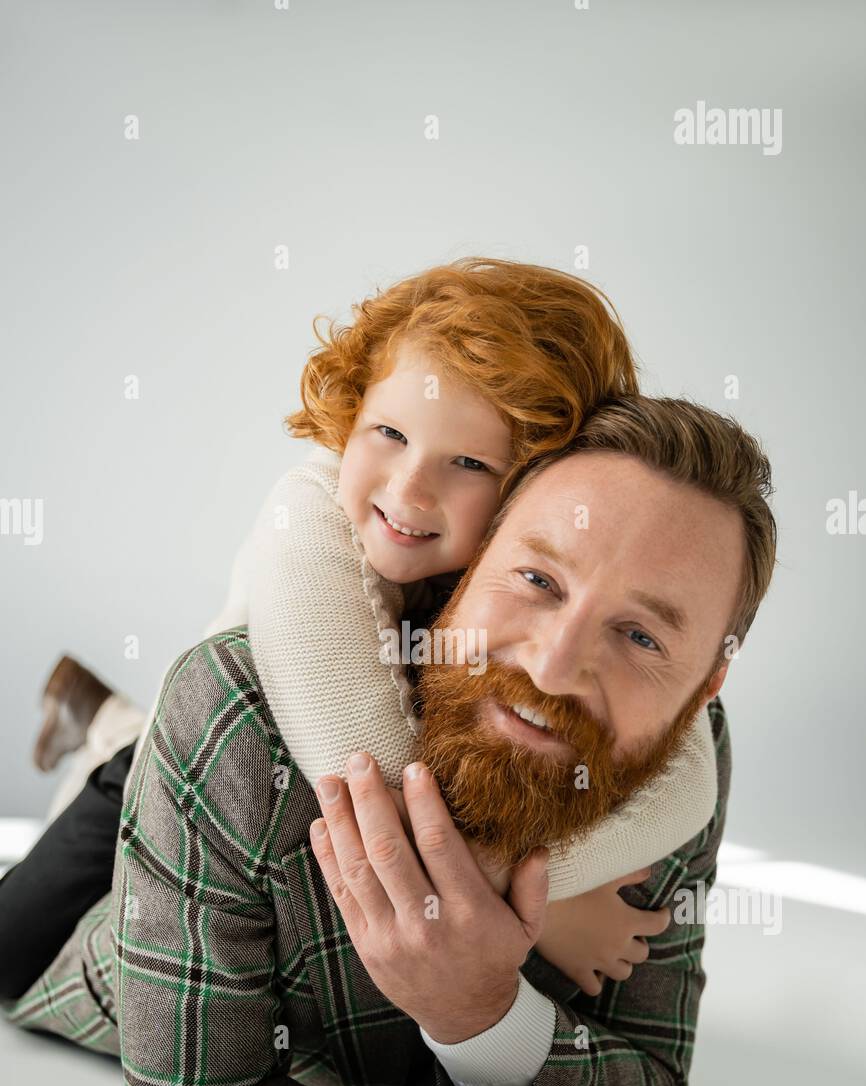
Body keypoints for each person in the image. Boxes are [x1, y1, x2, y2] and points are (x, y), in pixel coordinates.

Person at [2, 394, 777, 1086]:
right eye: (536, 580)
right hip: (99, 912)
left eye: (642, 635)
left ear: (705, 683)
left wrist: (482, 1013)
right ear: (469, 560)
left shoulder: (675, 761)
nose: (554, 669)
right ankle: (126, 754)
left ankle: (118, 735)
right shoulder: (232, 717)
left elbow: (647, 1078)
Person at [0, 257, 717, 997]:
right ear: (352, 412)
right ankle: (117, 735)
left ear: (537, 489)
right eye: (388, 433)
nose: (409, 488)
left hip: (308, 815)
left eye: (470, 461)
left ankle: (103, 712)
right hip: (198, 773)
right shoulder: (306, 515)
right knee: (13, 951)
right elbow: (365, 776)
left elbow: (692, 781)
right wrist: (535, 906)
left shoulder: (538, 574)